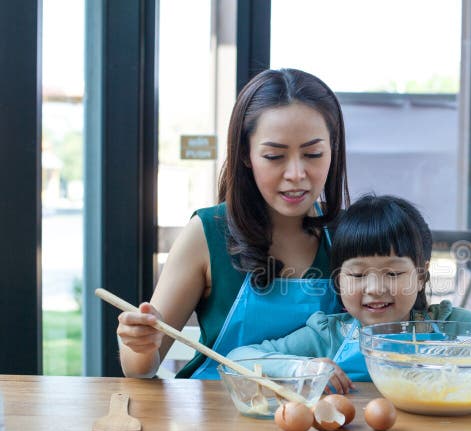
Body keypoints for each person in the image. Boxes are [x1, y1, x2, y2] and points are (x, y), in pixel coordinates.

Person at [116, 68, 350, 379]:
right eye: (274, 156)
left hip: (322, 418)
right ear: (245, 154)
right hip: (216, 418)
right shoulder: (206, 233)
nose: (296, 173)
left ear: (333, 150)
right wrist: (141, 346)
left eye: (313, 153)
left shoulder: (347, 235)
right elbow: (141, 369)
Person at [228, 194, 471, 392]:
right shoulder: (329, 334)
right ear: (338, 280)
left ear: (420, 276)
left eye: (393, 273)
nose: (375, 288)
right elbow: (239, 359)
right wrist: (302, 369)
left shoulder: (446, 324)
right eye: (358, 274)